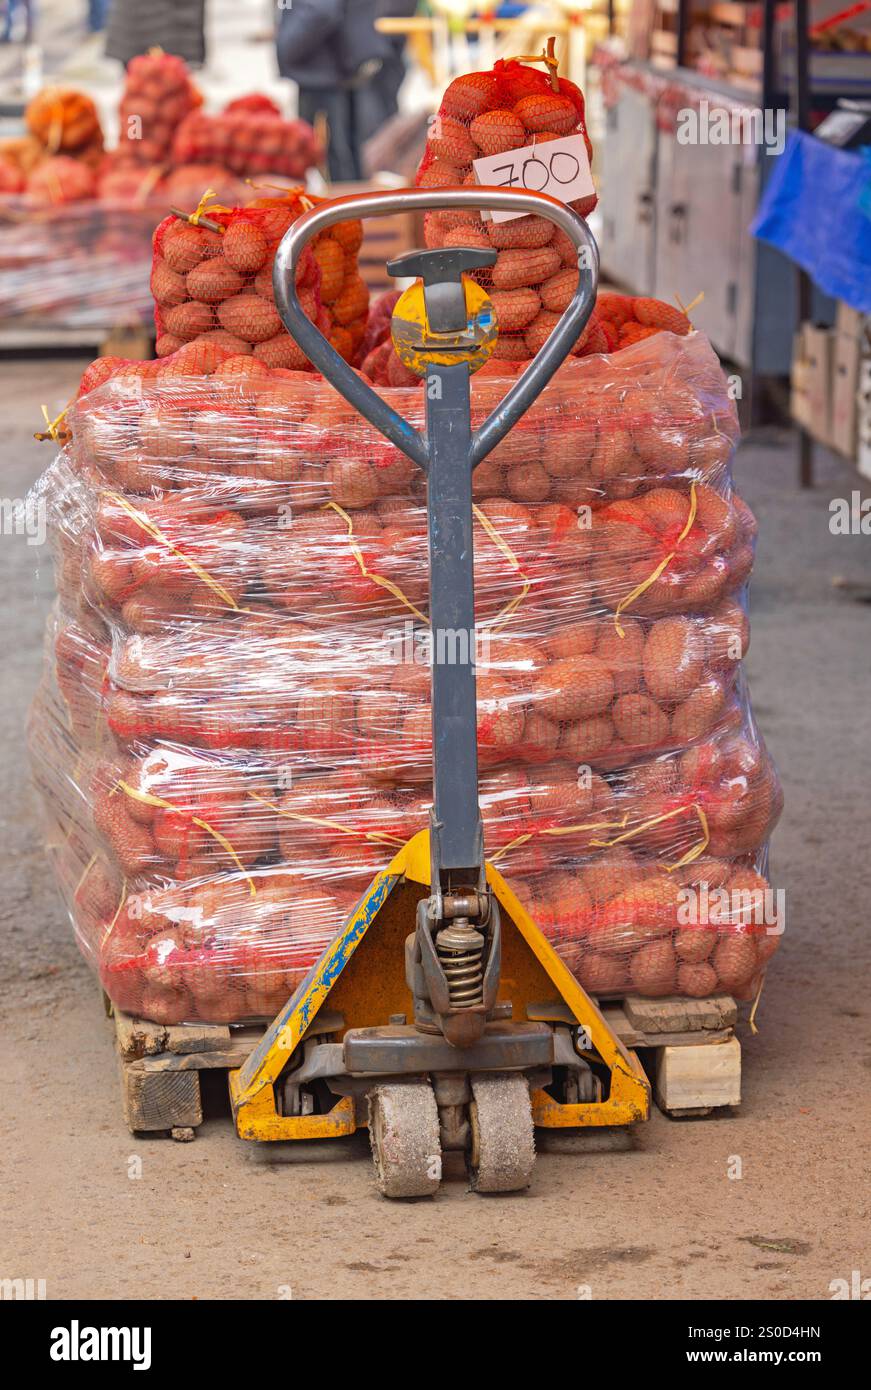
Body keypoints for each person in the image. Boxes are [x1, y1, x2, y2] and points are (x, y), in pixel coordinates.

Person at [276, 0, 390, 184]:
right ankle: (353, 204)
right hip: (336, 63)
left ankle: (345, 207)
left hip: (323, 67)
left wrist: (287, 44)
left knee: (331, 154)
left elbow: (322, 10)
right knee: (345, 151)